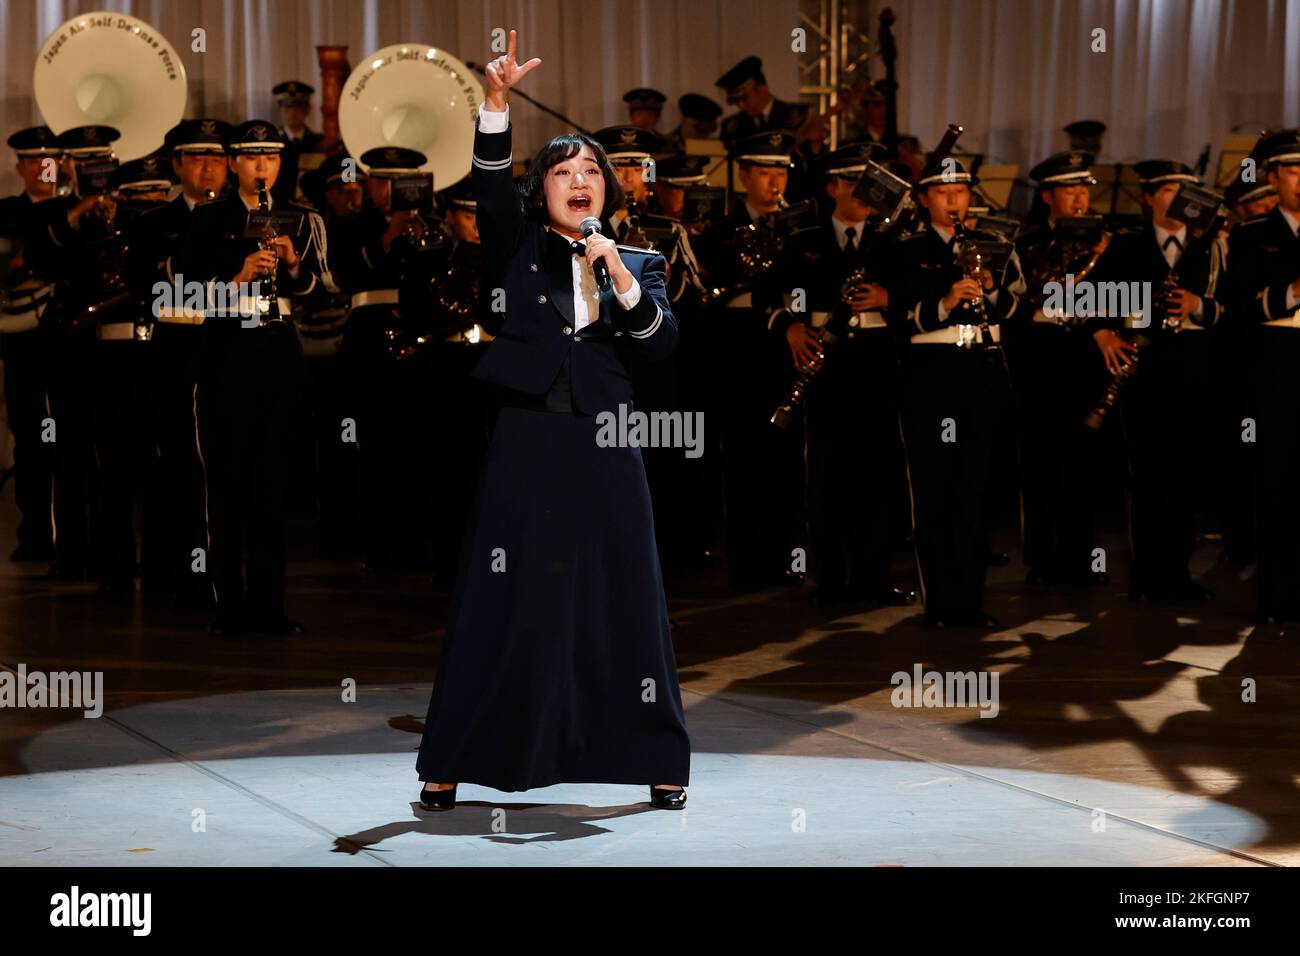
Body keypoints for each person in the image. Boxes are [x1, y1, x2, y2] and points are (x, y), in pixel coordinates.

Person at [415, 30, 690, 811]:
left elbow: (660, 344)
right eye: (563, 172)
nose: (578, 181)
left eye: (590, 173)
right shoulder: (518, 250)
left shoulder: (639, 261)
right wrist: (494, 107)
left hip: (606, 446)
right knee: (502, 598)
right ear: (545, 192)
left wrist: (617, 276)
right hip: (527, 442)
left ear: (608, 191)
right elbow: (492, 191)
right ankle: (454, 759)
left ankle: (654, 757)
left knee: (625, 598)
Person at [178, 119, 328, 634]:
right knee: (226, 489)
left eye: (271, 158)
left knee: (271, 489)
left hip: (277, 357)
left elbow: (321, 293)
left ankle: (270, 605)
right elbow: (184, 297)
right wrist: (236, 276)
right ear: (234, 162)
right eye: (251, 157)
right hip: (225, 358)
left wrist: (292, 263)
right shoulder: (207, 219)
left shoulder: (300, 219)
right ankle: (231, 605)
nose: (262, 167)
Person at [766, 142, 915, 606]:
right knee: (827, 474)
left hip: (875, 364)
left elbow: (916, 293)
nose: (866, 193)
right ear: (832, 187)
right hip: (823, 365)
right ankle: (827, 578)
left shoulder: (891, 240)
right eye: (855, 182)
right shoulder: (804, 241)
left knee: (877, 472)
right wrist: (790, 327)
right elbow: (771, 296)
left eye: (873, 184)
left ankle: (872, 578)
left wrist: (889, 299)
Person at [884, 156, 1025, 628]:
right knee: (934, 488)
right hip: (933, 372)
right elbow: (897, 316)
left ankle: (969, 600)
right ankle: (939, 602)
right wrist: (944, 301)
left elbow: (1020, 304)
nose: (954, 201)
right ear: (924, 199)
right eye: (944, 194)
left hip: (981, 370)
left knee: (974, 490)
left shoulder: (994, 243)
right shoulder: (906, 249)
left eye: (962, 193)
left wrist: (991, 290)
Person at [1088, 159, 1224, 602]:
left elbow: (1232, 304)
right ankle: (1147, 576)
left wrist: (1197, 305)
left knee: (1186, 474)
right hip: (1145, 368)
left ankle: (1177, 574)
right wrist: (1105, 334)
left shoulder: (1209, 245)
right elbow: (1091, 297)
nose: (1179, 200)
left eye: (1186, 191)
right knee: (1148, 475)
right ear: (1147, 197)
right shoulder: (1128, 245)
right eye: (1168, 190)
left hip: (1192, 366)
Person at [126, 119, 229, 607]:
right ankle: (178, 571)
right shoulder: (152, 224)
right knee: (177, 465)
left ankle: (226, 572)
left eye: (215, 158)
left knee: (228, 465)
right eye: (195, 158)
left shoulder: (246, 217)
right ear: (177, 165)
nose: (207, 168)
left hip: (233, 347)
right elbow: (146, 289)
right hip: (176, 348)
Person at [1012, 150, 1110, 585]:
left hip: (1088, 357)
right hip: (1042, 357)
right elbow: (1026, 303)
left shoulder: (1108, 242)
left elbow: (1130, 299)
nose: (1080, 198)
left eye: (1085, 189)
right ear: (1048, 196)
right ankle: (1042, 561)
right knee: (1040, 460)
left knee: (1088, 464)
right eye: (1070, 189)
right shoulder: (1028, 242)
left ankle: (1084, 560)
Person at [1225, 129, 1300, 621]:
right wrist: (1292, 291)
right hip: (1280, 362)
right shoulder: (1253, 236)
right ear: (1273, 178)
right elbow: (1241, 308)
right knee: (1279, 482)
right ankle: (1279, 597)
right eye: (1294, 171)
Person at [0, 126, 60, 564]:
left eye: (51, 159)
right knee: (32, 439)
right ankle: (36, 533)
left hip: (74, 345)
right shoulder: (4, 213)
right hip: (23, 344)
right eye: (34, 160)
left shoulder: (82, 211)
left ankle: (80, 536)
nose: (44, 168)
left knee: (75, 441)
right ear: (19, 167)